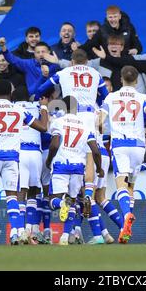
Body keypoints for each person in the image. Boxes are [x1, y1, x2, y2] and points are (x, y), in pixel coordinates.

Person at [35, 49, 109, 220]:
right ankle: (88, 194)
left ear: (72, 61)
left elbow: (41, 89)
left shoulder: (63, 72)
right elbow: (105, 97)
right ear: (87, 61)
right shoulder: (95, 73)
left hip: (71, 114)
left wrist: (43, 100)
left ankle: (72, 201)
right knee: (90, 157)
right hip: (91, 116)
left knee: (69, 151)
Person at [0, 79, 48, 245]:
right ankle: (15, 233)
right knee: (12, 197)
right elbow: (43, 128)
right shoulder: (19, 110)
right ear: (10, 92)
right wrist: (44, 108)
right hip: (12, 158)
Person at [100, 65, 146, 244]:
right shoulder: (142, 97)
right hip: (138, 147)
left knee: (121, 186)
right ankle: (127, 224)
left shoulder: (111, 97)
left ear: (120, 79)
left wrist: (100, 134)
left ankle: (126, 217)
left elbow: (99, 119)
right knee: (130, 185)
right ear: (137, 80)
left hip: (120, 146)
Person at [45, 95, 104, 245]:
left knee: (54, 200)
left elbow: (54, 144)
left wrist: (49, 160)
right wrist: (99, 169)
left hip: (61, 165)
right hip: (78, 168)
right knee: (72, 201)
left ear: (63, 108)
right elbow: (95, 150)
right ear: (77, 109)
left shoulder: (58, 122)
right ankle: (65, 236)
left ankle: (62, 205)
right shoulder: (86, 126)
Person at [11, 86, 49, 245]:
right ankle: (31, 229)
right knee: (34, 192)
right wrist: (45, 107)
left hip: (20, 152)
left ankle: (19, 231)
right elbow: (45, 127)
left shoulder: (12, 109)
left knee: (21, 192)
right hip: (36, 153)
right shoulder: (36, 107)